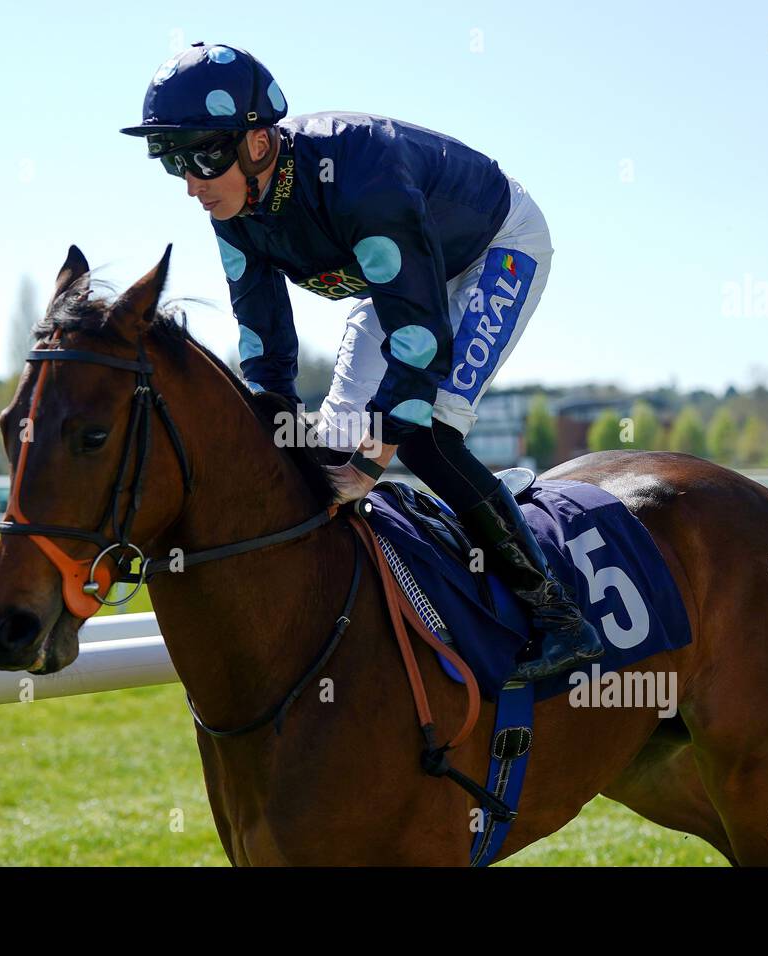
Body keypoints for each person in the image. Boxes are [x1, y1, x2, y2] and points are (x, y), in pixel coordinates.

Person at [120, 42, 602, 681]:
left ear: (259, 143)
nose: (192, 186)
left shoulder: (361, 176)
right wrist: (270, 435)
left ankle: (559, 618)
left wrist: (376, 461)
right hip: (401, 279)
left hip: (493, 250)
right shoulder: (233, 205)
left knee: (424, 436)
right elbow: (265, 347)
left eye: (202, 157)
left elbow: (421, 338)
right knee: (328, 443)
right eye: (174, 163)